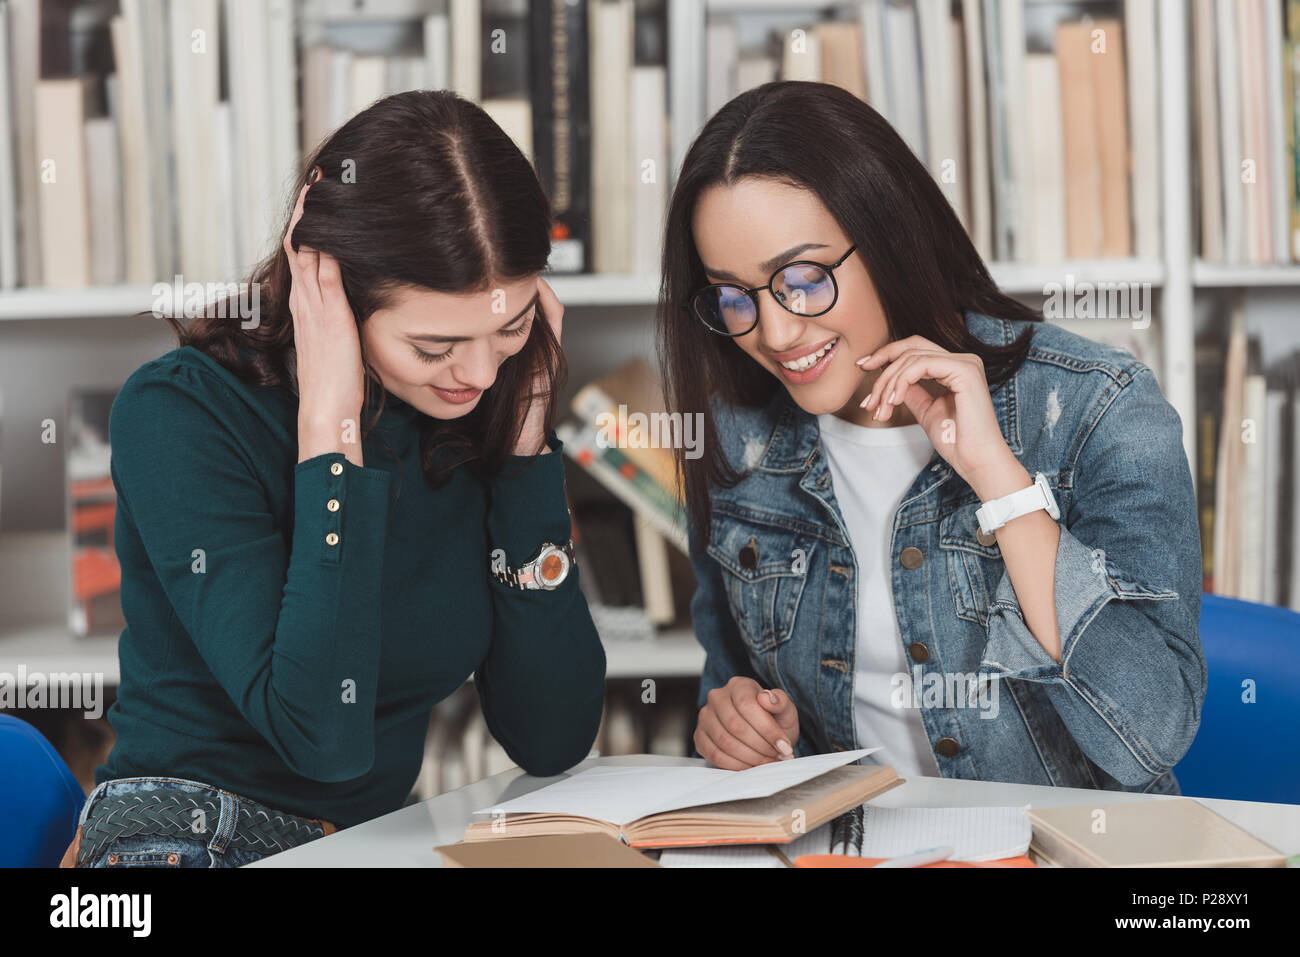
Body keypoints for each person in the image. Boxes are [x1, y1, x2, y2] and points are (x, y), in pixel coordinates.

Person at [61, 90, 605, 868]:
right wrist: (331, 436)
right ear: (337, 297)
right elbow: (321, 736)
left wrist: (526, 464)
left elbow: (552, 736)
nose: (482, 373)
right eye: (435, 344)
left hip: (368, 844)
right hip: (187, 833)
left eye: (512, 326)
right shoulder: (180, 415)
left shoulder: (475, 413)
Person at [657, 81, 1204, 794]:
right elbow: (732, 692)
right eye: (734, 297)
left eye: (802, 277)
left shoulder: (1096, 407)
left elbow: (1152, 732)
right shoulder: (738, 442)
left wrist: (998, 481)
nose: (775, 332)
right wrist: (732, 723)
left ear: (887, 237)